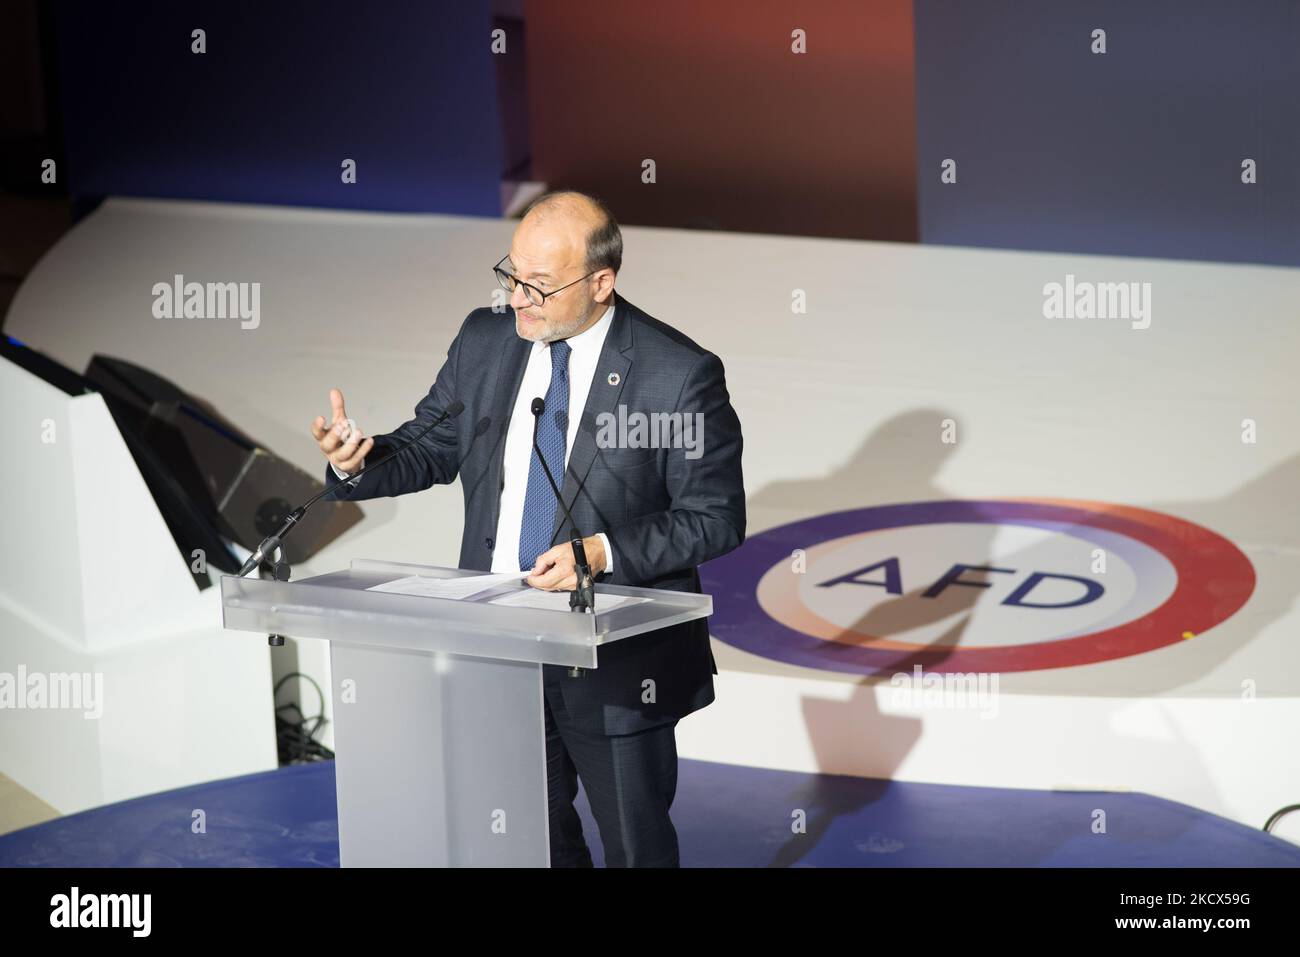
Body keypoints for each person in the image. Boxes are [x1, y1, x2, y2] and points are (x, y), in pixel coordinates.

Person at [311, 190, 745, 867]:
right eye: (510, 274)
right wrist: (360, 461)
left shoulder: (676, 375)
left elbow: (714, 517)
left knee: (636, 848)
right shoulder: (486, 341)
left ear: (602, 282)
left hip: (614, 662)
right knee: (525, 843)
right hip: (499, 650)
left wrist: (600, 552)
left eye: (538, 285)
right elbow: (433, 445)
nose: (516, 298)